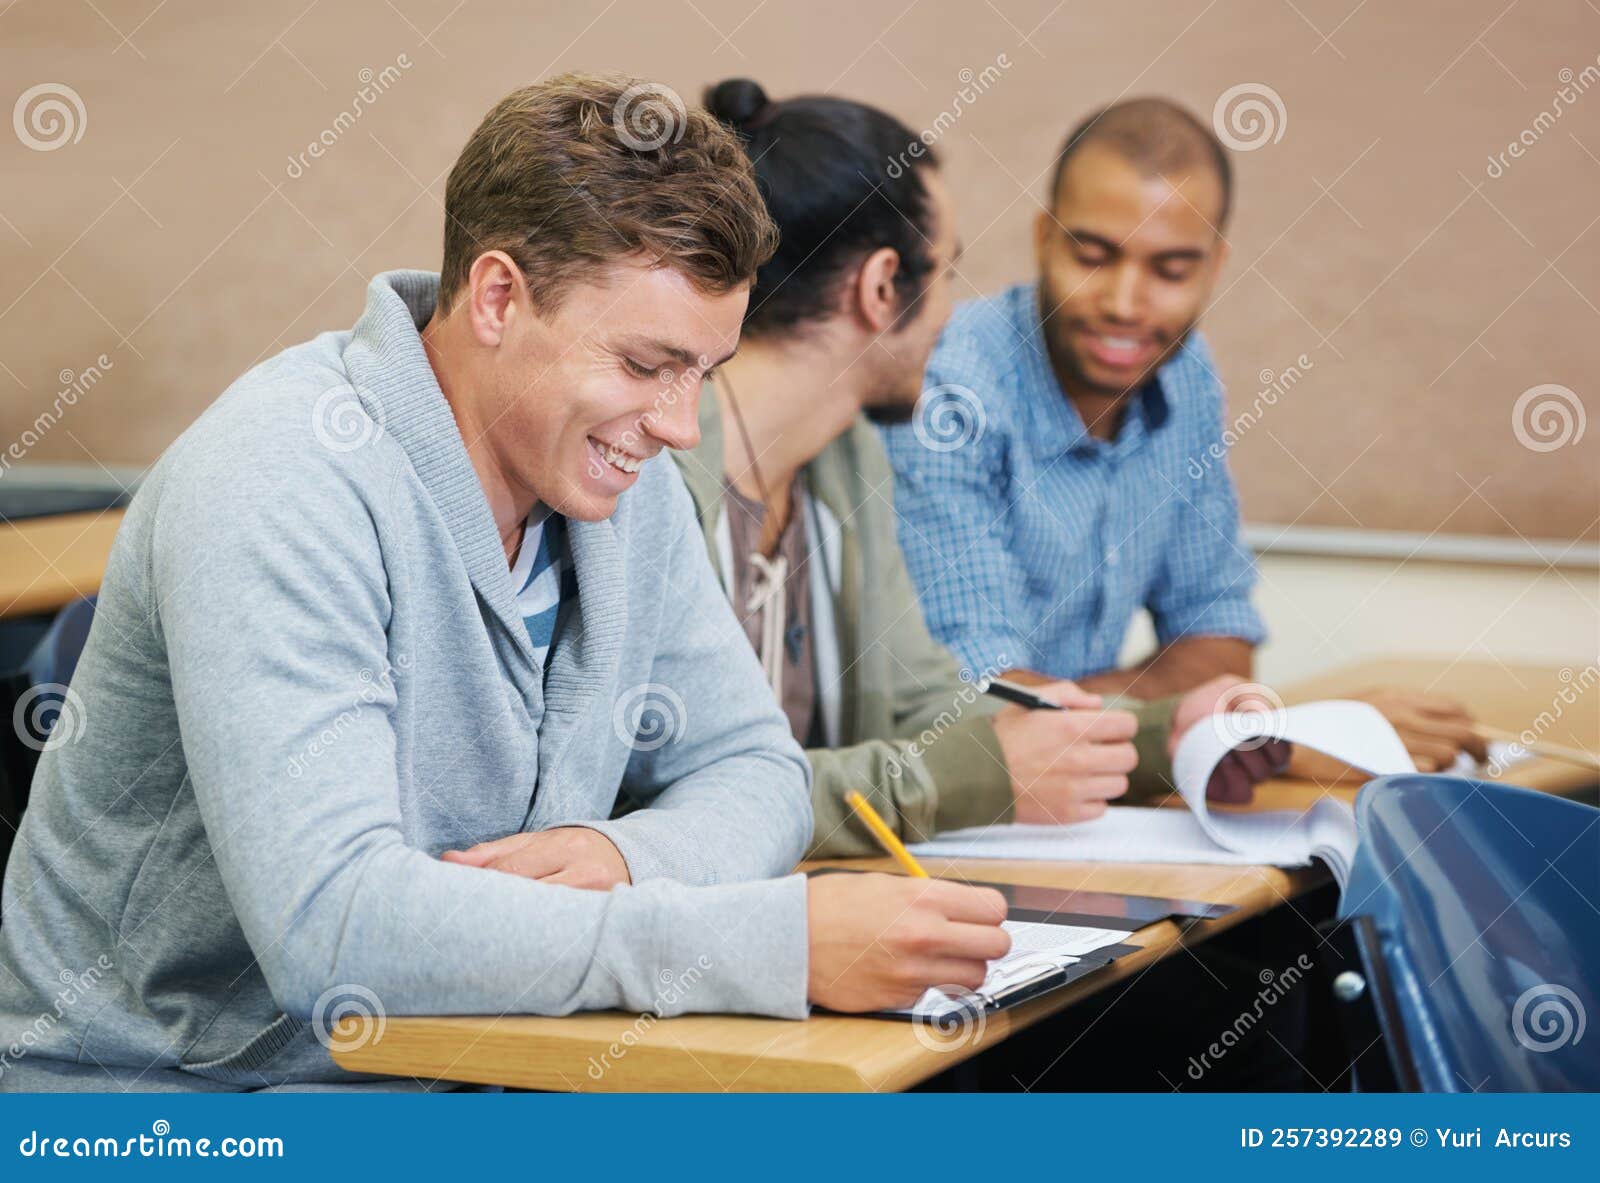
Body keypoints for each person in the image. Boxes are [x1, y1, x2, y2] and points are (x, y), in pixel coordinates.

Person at [0, 75, 1012, 1093]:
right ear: (495, 298)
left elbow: (757, 771)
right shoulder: (280, 474)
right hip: (159, 1104)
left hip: (464, 1073)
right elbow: (334, 928)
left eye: (702, 372)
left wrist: (620, 860)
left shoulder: (624, 476)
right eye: (644, 362)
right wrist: (768, 945)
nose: (679, 426)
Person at [665, 80, 1285, 860]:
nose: (954, 317)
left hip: (813, 899)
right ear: (882, 286)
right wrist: (985, 768)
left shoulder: (847, 454)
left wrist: (1166, 732)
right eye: (948, 274)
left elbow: (922, 701)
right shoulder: (657, 476)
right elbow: (674, 799)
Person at [880, 97, 1484, 771]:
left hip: (1087, 799)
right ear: (1043, 239)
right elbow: (982, 709)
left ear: (1214, 265)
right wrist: (1252, 732)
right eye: (1093, 255)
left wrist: (1181, 714)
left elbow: (1218, 635)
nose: (1126, 303)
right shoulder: (946, 390)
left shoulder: (1183, 371)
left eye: (1170, 270)